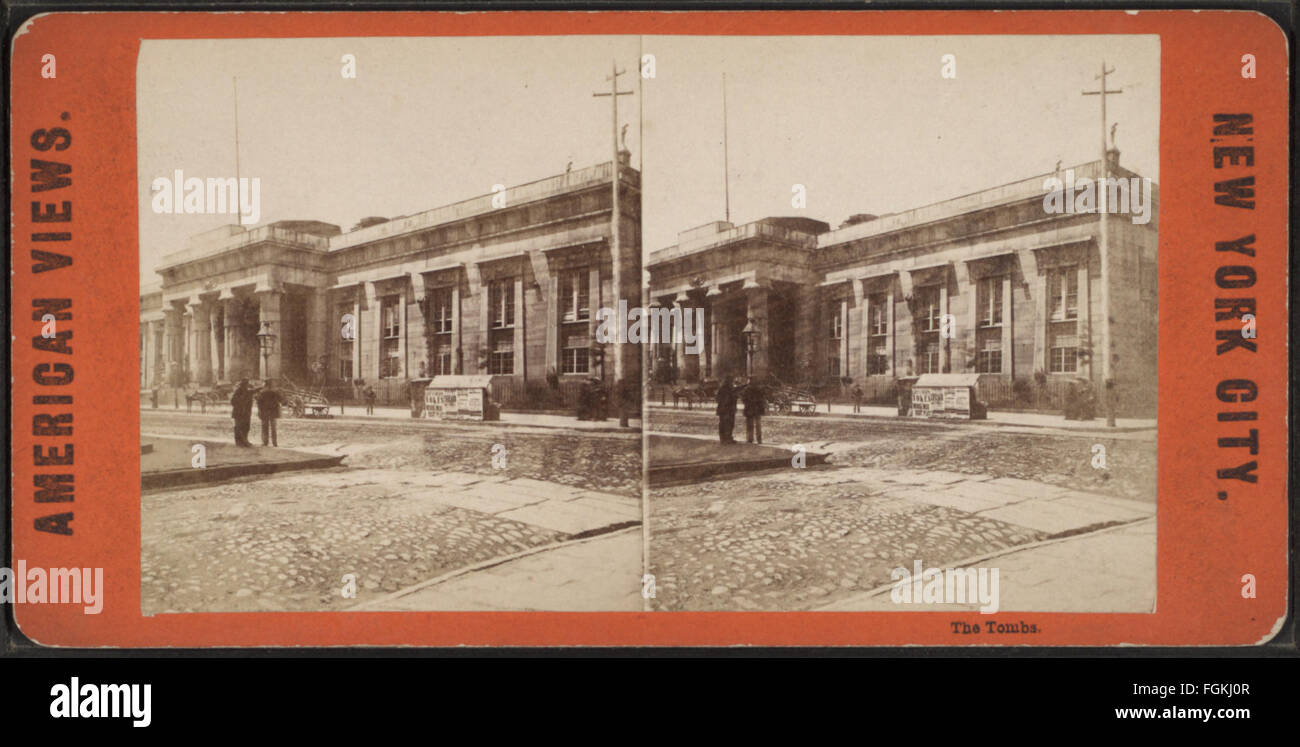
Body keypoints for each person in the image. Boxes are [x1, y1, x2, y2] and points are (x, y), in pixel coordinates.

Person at [255, 379, 283, 447]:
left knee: (264, 427)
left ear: (265, 384)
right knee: (273, 428)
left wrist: (259, 410)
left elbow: (258, 401)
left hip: (265, 411)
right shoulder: (275, 391)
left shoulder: (262, 392)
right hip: (273, 412)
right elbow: (281, 399)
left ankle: (265, 442)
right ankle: (275, 442)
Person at [741, 377, 766, 444]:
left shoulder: (746, 390)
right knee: (758, 425)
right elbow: (762, 399)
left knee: (750, 425)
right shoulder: (759, 389)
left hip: (750, 409)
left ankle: (750, 439)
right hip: (757, 409)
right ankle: (759, 439)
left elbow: (743, 399)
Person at [230, 378, 254, 447]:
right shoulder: (238, 392)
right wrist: (240, 404)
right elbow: (233, 402)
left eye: (246, 384)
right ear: (242, 385)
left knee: (246, 427)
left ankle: (245, 441)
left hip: (246, 413)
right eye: (245, 384)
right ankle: (239, 442)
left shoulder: (247, 391)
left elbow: (253, 391)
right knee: (238, 427)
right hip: (238, 413)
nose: (246, 386)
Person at [715, 375, 737, 444]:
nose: (732, 382)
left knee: (730, 423)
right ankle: (723, 438)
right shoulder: (723, 389)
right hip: (724, 409)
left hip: (730, 409)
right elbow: (718, 399)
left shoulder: (732, 388)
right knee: (724, 424)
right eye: (731, 380)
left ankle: (729, 437)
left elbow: (734, 398)